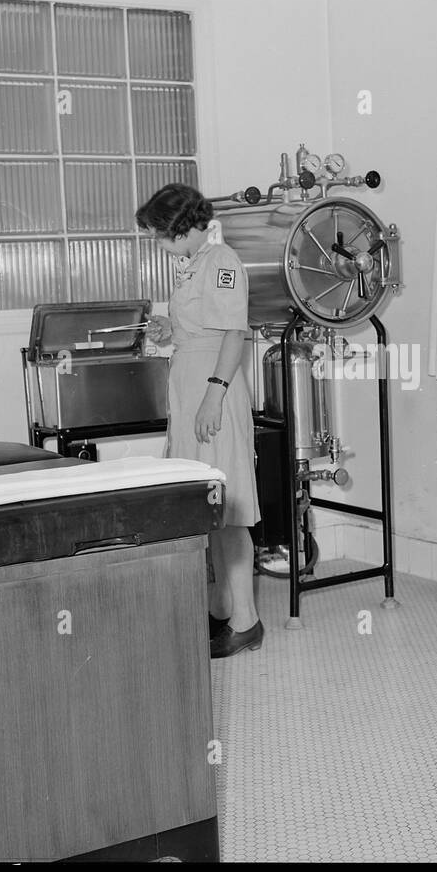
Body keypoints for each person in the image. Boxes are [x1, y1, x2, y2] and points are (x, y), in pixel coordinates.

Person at [135, 183, 262, 658]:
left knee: (227, 509)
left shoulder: (223, 261)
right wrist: (170, 328)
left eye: (160, 235)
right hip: (190, 386)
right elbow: (200, 327)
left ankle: (246, 620)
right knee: (203, 508)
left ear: (181, 227)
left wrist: (215, 396)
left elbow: (233, 334)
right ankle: (220, 609)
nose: (158, 243)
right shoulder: (191, 266)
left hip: (214, 389)